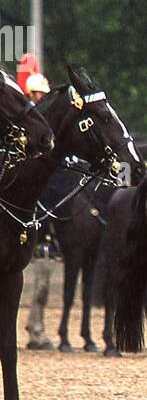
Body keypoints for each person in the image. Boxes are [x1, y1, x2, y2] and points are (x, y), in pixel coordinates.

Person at [23, 68, 55, 350]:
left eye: (43, 95)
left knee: (44, 272)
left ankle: (36, 327)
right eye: (36, 95)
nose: (40, 100)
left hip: (40, 207)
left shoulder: (47, 131)